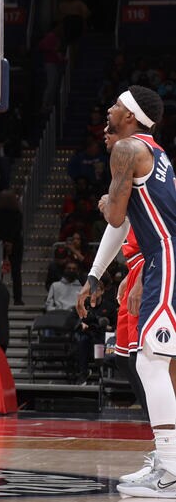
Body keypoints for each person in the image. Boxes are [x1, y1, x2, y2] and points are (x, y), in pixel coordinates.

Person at [80, 87, 174, 492]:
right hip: (162, 257)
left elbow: (115, 215)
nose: (109, 110)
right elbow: (123, 224)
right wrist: (95, 275)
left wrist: (105, 202)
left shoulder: (127, 149)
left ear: (131, 116)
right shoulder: (156, 151)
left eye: (116, 105)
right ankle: (167, 459)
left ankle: (170, 470)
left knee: (150, 363)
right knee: (162, 366)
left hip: (164, 259)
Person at [0, 188, 25, 304]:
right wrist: (10, 241)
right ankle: (18, 299)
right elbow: (18, 228)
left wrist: (3, 241)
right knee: (16, 272)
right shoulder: (17, 213)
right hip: (15, 243)